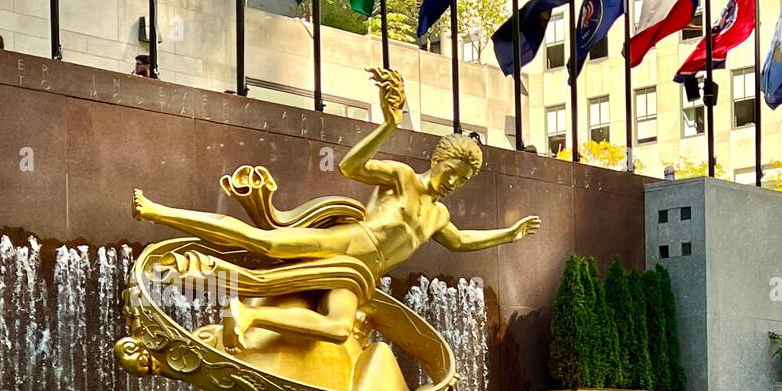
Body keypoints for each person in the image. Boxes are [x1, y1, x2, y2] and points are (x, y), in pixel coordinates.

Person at [132, 67, 539, 350]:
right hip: (346, 243)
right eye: (454, 170)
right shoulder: (401, 176)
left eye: (463, 180)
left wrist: (509, 234)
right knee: (266, 243)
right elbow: (351, 166)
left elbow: (462, 242)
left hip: (361, 275)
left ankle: (249, 316)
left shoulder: (439, 216)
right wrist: (388, 126)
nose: (455, 181)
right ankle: (157, 210)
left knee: (339, 328)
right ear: (438, 159)